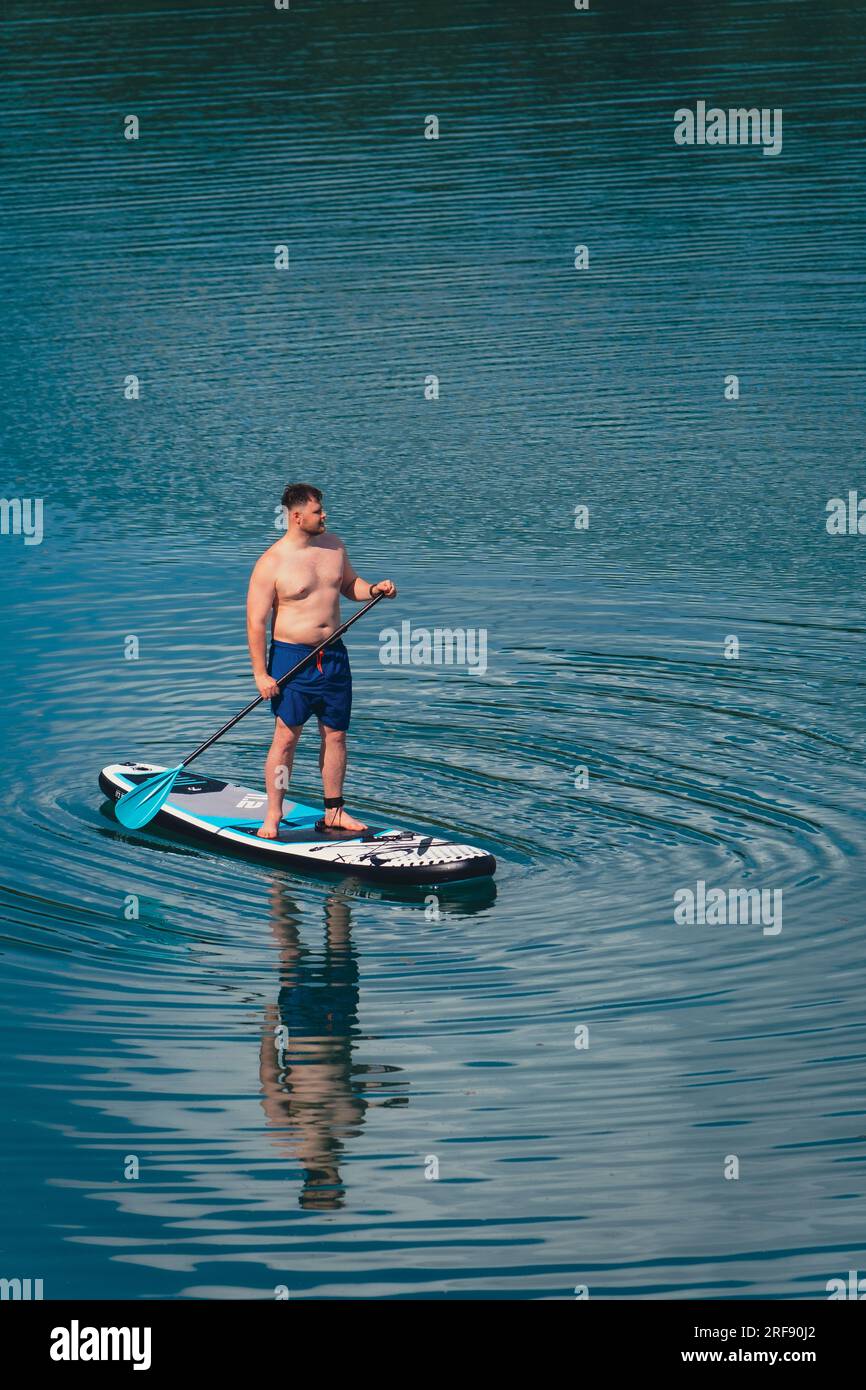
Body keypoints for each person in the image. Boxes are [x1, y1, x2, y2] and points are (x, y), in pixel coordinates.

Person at [246, 483, 396, 838]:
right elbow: (256, 622)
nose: (324, 515)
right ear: (297, 517)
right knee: (285, 738)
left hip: (333, 656)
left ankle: (335, 812)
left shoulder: (334, 546)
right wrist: (260, 674)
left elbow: (349, 585)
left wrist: (373, 589)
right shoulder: (272, 562)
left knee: (336, 736)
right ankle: (273, 815)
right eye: (317, 511)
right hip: (291, 659)